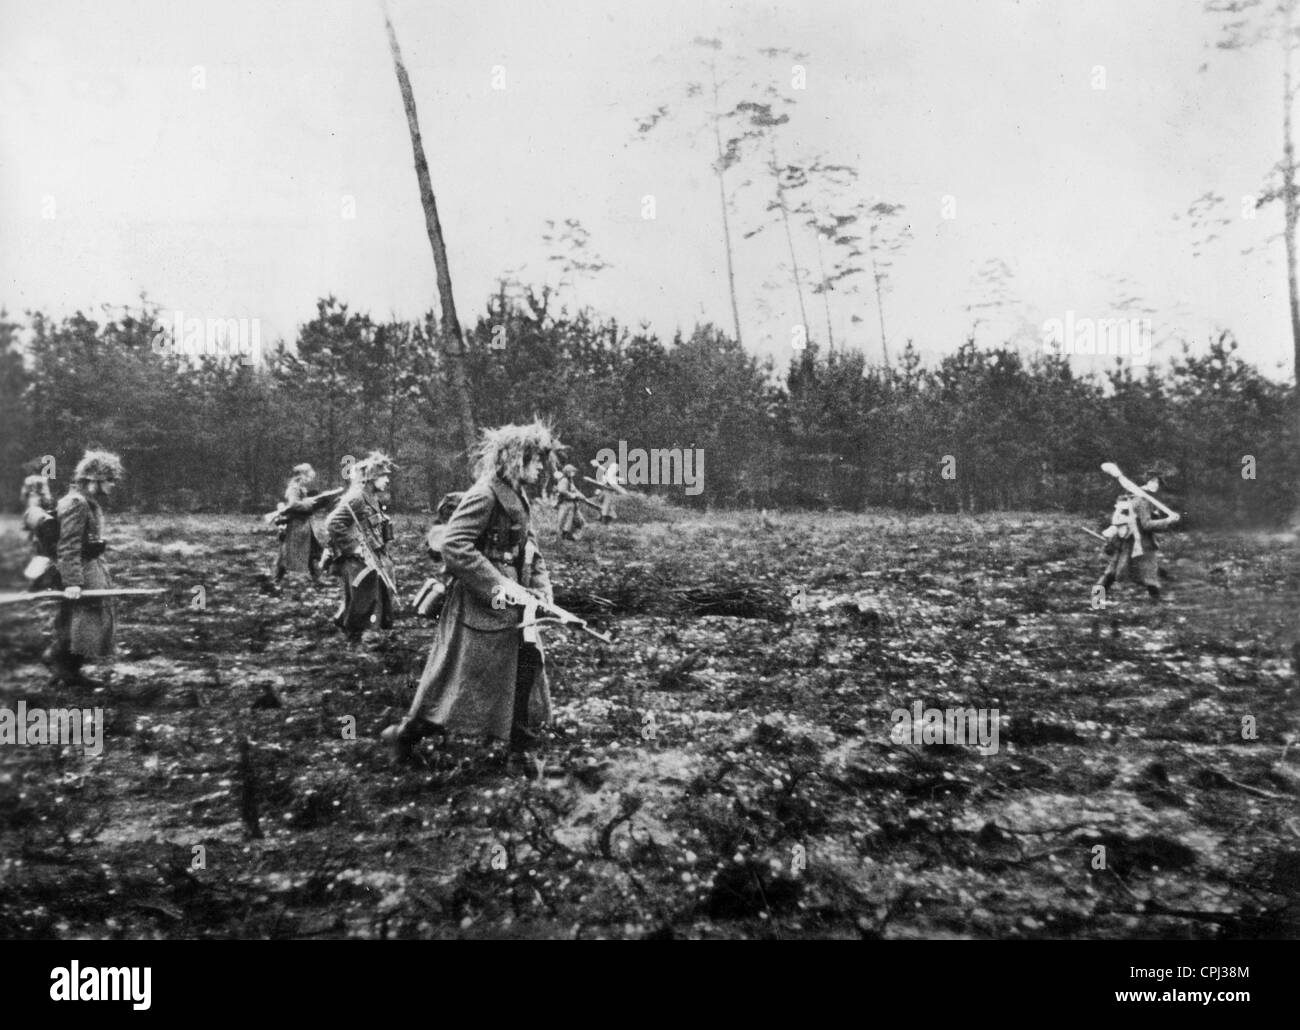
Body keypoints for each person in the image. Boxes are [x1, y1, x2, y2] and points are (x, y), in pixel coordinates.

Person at [382, 421, 559, 770]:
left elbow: (530, 546)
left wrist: (541, 588)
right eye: (535, 460)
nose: (540, 467)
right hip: (480, 605)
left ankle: (520, 750)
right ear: (515, 460)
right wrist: (498, 586)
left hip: (515, 603)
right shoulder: (484, 493)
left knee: (525, 667)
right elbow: (454, 545)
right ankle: (404, 735)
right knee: (452, 678)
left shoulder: (517, 494)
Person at [50, 450, 124, 687]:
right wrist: (72, 581)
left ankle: (65, 668)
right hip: (79, 569)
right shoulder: (77, 504)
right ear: (94, 478)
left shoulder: (86, 503)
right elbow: (68, 545)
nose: (112, 485)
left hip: (88, 566)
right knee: (85, 617)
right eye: (109, 480)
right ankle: (65, 668)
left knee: (77, 616)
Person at [325, 451, 397, 644]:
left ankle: (357, 628)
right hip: (357, 558)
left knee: (372, 593)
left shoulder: (371, 497)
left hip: (371, 554)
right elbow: (333, 523)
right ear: (372, 478)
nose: (387, 480)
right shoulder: (357, 497)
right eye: (383, 476)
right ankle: (364, 634)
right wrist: (354, 548)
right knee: (364, 597)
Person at [1097, 468, 1180, 604]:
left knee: (1112, 573)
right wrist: (1167, 521)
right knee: (1148, 573)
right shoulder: (1142, 501)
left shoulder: (1140, 498)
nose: (1155, 485)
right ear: (1145, 482)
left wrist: (1161, 518)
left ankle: (1096, 602)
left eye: (1157, 483)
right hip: (1139, 542)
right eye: (1152, 481)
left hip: (1129, 541)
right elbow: (1146, 525)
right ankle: (1157, 604)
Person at [273, 463, 326, 585]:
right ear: (301, 476)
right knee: (285, 554)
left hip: (303, 525)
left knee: (313, 551)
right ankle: (276, 580)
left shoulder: (301, 488)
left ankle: (316, 578)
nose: (309, 479)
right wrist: (309, 504)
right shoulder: (294, 488)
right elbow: (293, 504)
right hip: (294, 526)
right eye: (307, 476)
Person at [21, 474, 61, 591]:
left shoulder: (35, 512)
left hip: (45, 560)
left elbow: (47, 524)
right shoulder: (35, 512)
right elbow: (47, 524)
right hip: (45, 560)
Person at [554, 463, 592, 541]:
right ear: (567, 472)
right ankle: (559, 536)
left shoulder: (570, 480)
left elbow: (574, 489)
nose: (573, 473)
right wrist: (572, 495)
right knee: (562, 519)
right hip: (565, 503)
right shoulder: (564, 480)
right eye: (572, 471)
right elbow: (561, 490)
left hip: (571, 503)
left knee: (569, 519)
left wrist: (582, 496)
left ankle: (566, 535)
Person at [590, 455, 622, 524]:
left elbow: (612, 485)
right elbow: (606, 472)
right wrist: (598, 465)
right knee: (605, 507)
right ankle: (604, 519)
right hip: (606, 492)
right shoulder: (610, 474)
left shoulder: (614, 477)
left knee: (607, 508)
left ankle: (605, 521)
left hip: (609, 494)